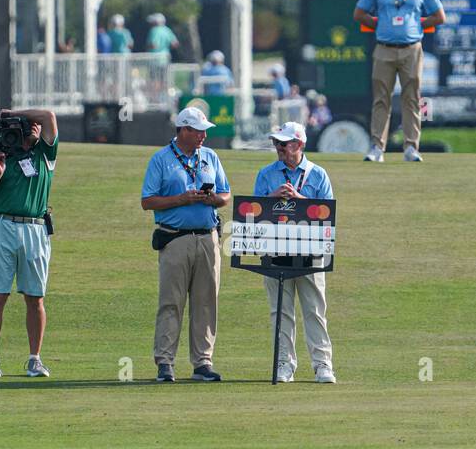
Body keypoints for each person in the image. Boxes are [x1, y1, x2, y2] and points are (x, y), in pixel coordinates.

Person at [140, 107, 231, 382]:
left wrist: (213, 199)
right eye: (198, 130)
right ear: (183, 130)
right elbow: (148, 201)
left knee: (206, 302)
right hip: (175, 238)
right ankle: (165, 362)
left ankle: (203, 362)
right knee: (171, 302)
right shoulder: (161, 160)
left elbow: (226, 194)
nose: (203, 135)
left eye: (204, 130)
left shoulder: (210, 157)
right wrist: (182, 199)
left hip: (207, 237)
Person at [0, 109, 59, 379]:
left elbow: (49, 116)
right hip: (2, 225)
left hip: (34, 227)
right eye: (28, 126)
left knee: (35, 297)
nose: (34, 129)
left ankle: (35, 359)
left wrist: (13, 113)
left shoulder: (45, 154)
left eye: (35, 126)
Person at [253, 122, 336, 384]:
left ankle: (322, 364)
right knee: (280, 310)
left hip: (310, 253)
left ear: (298, 145)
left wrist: (299, 200)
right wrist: (272, 198)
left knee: (314, 309)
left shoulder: (318, 174)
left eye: (283, 143)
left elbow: (328, 215)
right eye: (276, 143)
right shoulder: (266, 175)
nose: (278, 148)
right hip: (275, 251)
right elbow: (251, 214)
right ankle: (284, 363)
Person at [353, 0, 445, 163]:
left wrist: (419, 25)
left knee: (412, 99)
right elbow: (359, 13)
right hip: (384, 48)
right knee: (381, 99)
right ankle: (377, 148)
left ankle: (411, 148)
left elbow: (439, 15)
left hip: (412, 49)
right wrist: (379, 25)